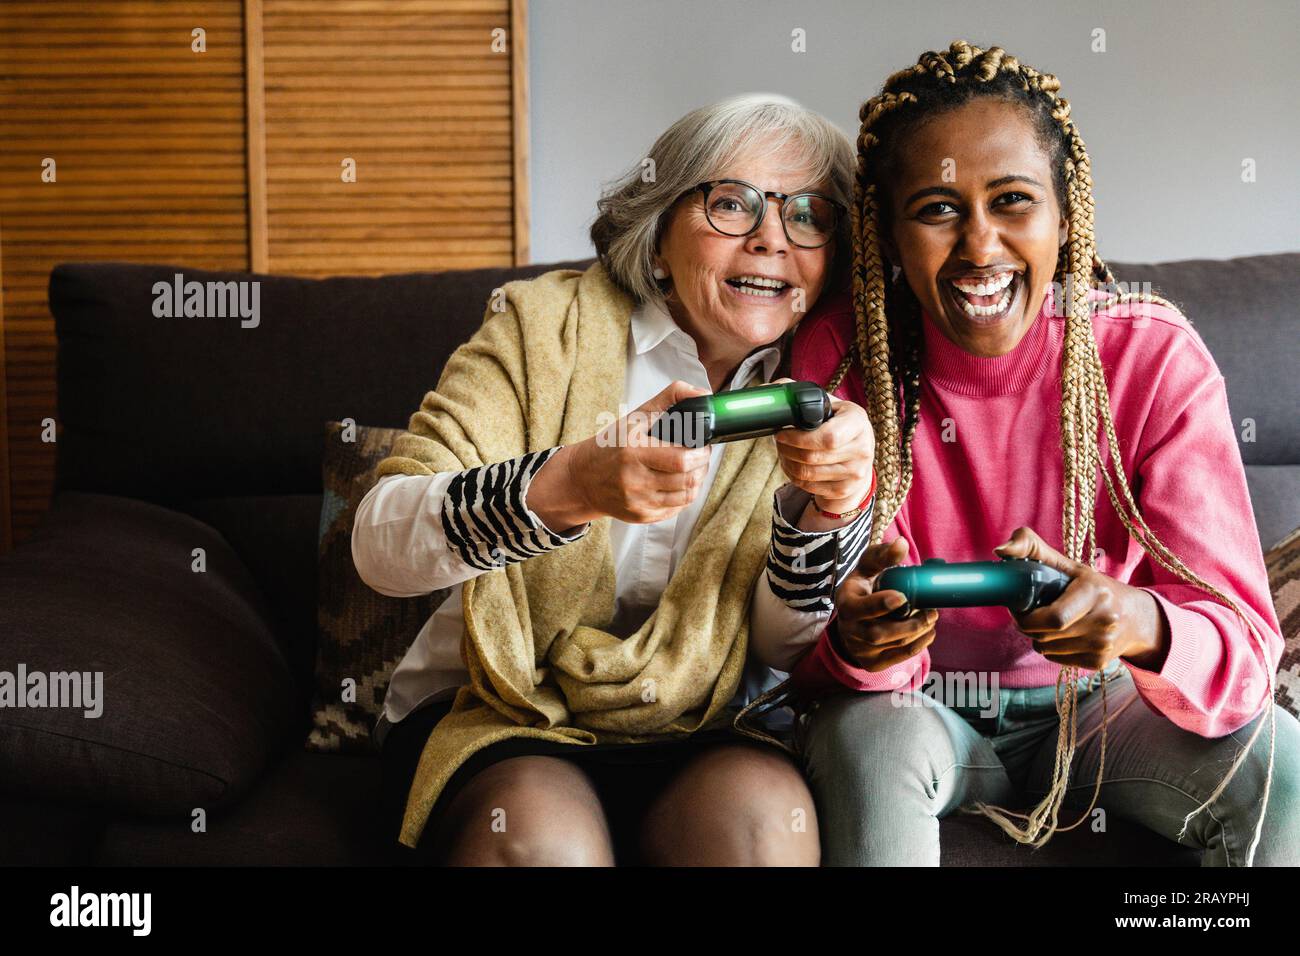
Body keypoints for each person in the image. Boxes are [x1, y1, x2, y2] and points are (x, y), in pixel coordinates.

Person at [769, 41, 1299, 866]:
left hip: (1105, 705)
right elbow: (788, 663)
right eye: (937, 208)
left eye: (1012, 200)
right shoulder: (838, 359)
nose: (980, 247)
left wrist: (1140, 624)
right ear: (888, 234)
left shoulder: (1149, 356)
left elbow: (1244, 653)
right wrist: (861, 648)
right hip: (916, 713)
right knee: (866, 745)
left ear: (1065, 214)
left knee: (1287, 775)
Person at [352, 93, 877, 865]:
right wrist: (571, 487)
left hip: (703, 723)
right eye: (732, 204)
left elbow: (779, 644)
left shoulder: (832, 381)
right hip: (499, 712)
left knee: (764, 830)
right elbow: (378, 547)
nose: (772, 239)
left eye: (808, 215)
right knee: (543, 843)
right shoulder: (538, 330)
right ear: (658, 234)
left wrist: (830, 511)